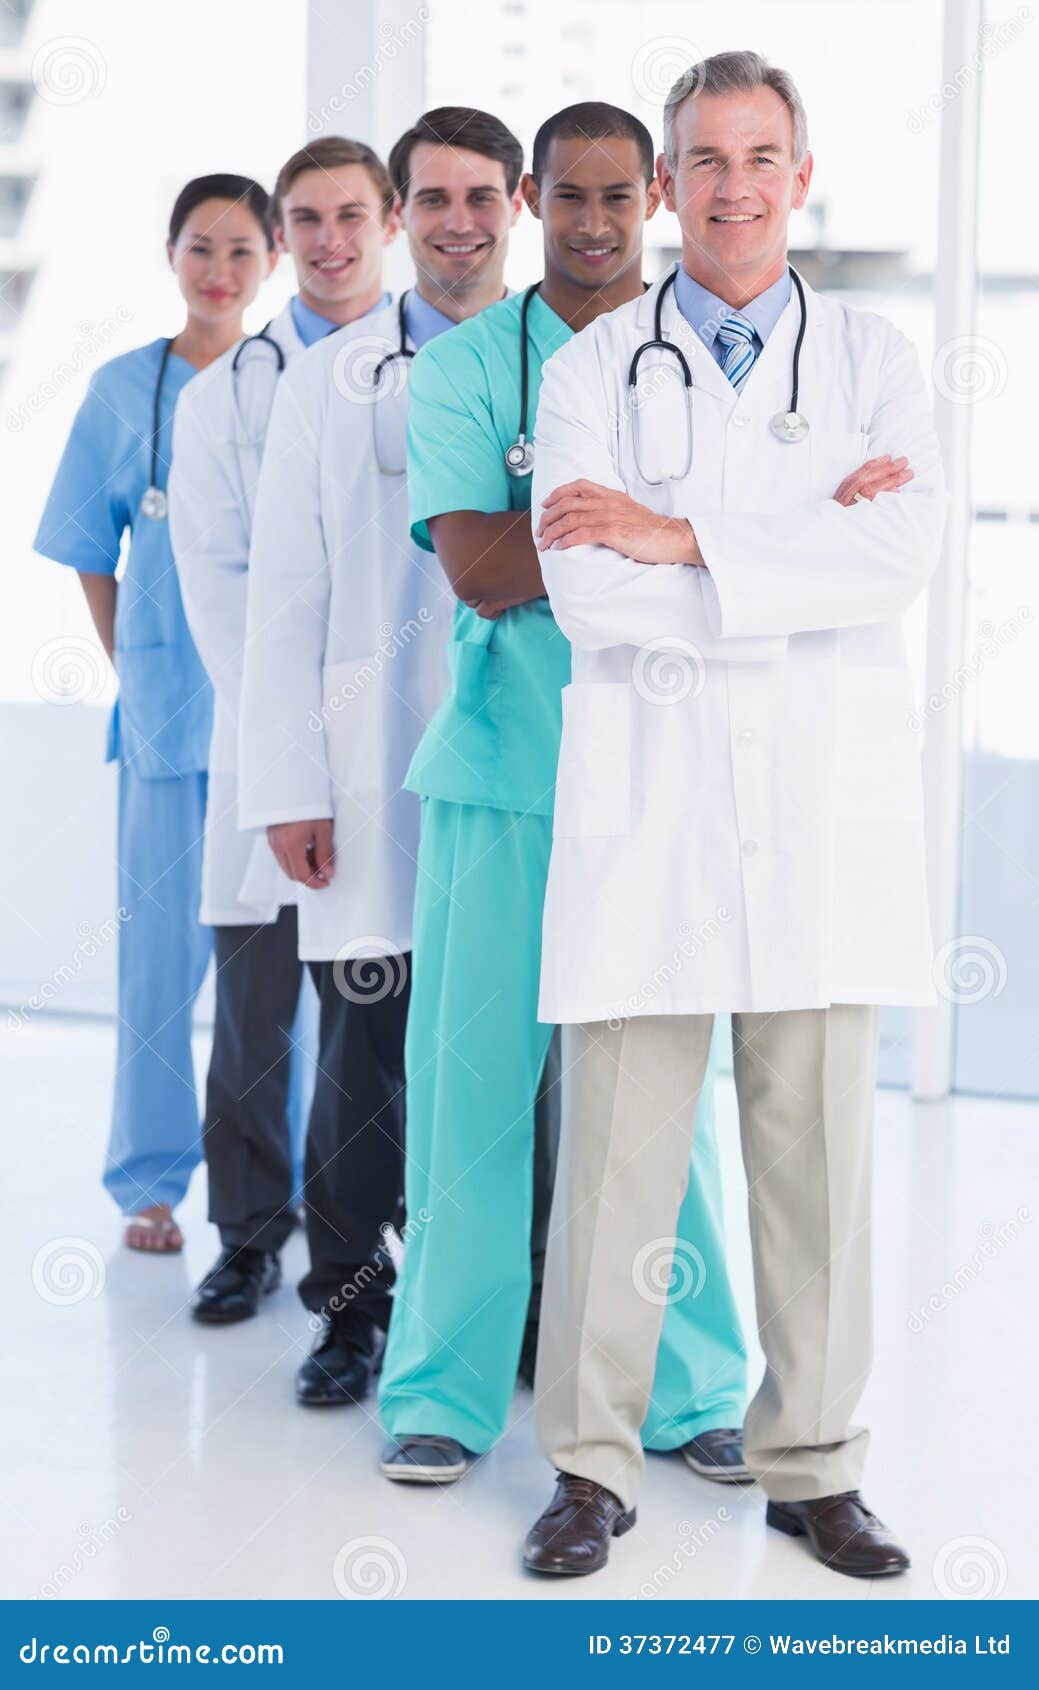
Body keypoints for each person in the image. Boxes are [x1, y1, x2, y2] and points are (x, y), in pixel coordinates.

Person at [523, 51, 946, 1578]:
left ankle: (813, 1464)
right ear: (664, 184)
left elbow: (892, 560)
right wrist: (782, 557)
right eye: (701, 159)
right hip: (651, 815)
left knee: (816, 1161)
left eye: (758, 156)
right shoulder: (588, 372)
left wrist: (681, 537)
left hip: (820, 817)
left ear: (800, 172)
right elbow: (583, 592)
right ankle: (588, 1468)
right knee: (616, 1164)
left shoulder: (876, 362)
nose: (731, 187)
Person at [378, 103, 754, 1491]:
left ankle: (691, 1386)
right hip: (502, 776)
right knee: (469, 1093)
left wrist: (633, 529)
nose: (594, 222)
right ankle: (439, 1395)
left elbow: (758, 544)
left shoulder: (703, 354)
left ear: (652, 193)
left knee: (667, 1102)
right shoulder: (472, 364)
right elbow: (475, 568)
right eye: (570, 197)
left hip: (659, 778)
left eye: (618, 194)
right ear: (531, 198)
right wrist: (655, 537)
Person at [238, 109, 523, 1407]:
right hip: (373, 777)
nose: (456, 221)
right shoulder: (328, 376)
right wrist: (290, 782)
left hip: (527, 770)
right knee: (364, 1060)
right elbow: (282, 598)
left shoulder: (567, 365)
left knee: (523, 1056)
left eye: (479, 196)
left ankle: (514, 1309)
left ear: (512, 204)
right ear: (401, 214)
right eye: (432, 199)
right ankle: (351, 1312)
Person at [168, 139, 401, 1326]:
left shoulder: (427, 367)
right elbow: (217, 584)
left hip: (383, 761)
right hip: (268, 752)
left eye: (351, 215)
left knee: (369, 1029)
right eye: (306, 219)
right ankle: (248, 1237)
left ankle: (359, 1265)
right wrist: (291, 742)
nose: (330, 240)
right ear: (285, 234)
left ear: (389, 221)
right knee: (255, 1020)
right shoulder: (223, 397)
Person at [34, 175, 276, 1254]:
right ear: (170, 254)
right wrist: (136, 659)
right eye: (200, 248)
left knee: (287, 969)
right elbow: (92, 547)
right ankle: (150, 1181)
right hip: (170, 716)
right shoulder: (121, 390)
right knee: (159, 960)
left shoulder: (297, 381)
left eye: (239, 250)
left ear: (272, 257)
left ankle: (292, 1177)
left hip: (273, 723)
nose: (218, 272)